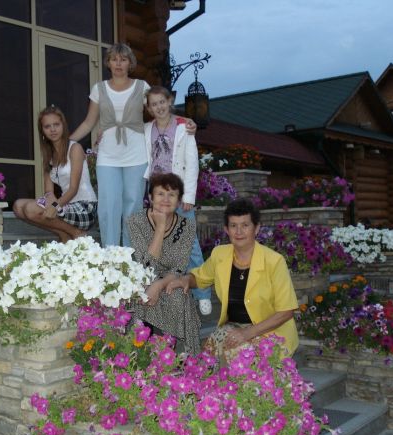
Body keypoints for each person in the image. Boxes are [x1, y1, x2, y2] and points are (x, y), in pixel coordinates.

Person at [69, 43, 196, 247]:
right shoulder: (99, 89)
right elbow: (88, 122)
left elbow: (159, 110)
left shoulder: (141, 86)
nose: (118, 63)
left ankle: (129, 254)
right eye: (114, 59)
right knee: (108, 206)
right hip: (108, 157)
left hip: (137, 155)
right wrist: (68, 143)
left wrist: (184, 121)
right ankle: (110, 253)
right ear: (108, 63)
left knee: (133, 206)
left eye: (123, 59)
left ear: (130, 63)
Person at [167, 198, 299, 363]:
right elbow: (200, 277)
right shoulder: (220, 254)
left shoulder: (274, 261)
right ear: (226, 230)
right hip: (234, 328)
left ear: (256, 228)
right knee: (206, 359)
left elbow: (286, 311)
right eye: (233, 226)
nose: (239, 232)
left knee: (239, 355)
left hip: (271, 332)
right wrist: (186, 280)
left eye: (245, 225)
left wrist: (248, 333)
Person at [144, 85, 212, 316]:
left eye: (162, 102)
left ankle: (202, 293)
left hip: (178, 194)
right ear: (149, 108)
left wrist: (189, 196)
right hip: (157, 197)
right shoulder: (146, 129)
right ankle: (165, 292)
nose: (159, 107)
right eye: (154, 104)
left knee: (190, 245)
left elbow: (192, 164)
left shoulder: (184, 127)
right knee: (161, 244)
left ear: (169, 101)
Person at [127, 173, 201, 354]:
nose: (166, 199)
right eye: (160, 194)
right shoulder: (136, 221)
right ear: (151, 197)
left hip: (170, 279)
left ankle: (174, 356)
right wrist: (160, 228)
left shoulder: (187, 226)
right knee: (143, 295)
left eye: (172, 194)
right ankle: (141, 352)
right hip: (143, 277)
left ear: (179, 200)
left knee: (177, 295)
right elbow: (146, 264)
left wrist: (159, 285)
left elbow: (179, 267)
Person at [13, 106, 97, 242]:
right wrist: (49, 198)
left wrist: (55, 206)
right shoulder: (49, 155)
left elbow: (73, 189)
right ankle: (63, 233)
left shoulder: (74, 148)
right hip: (65, 205)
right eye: (47, 126)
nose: (52, 129)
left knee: (31, 209)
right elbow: (48, 191)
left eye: (56, 124)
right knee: (18, 206)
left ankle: (76, 233)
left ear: (63, 125)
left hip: (85, 206)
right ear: (42, 131)